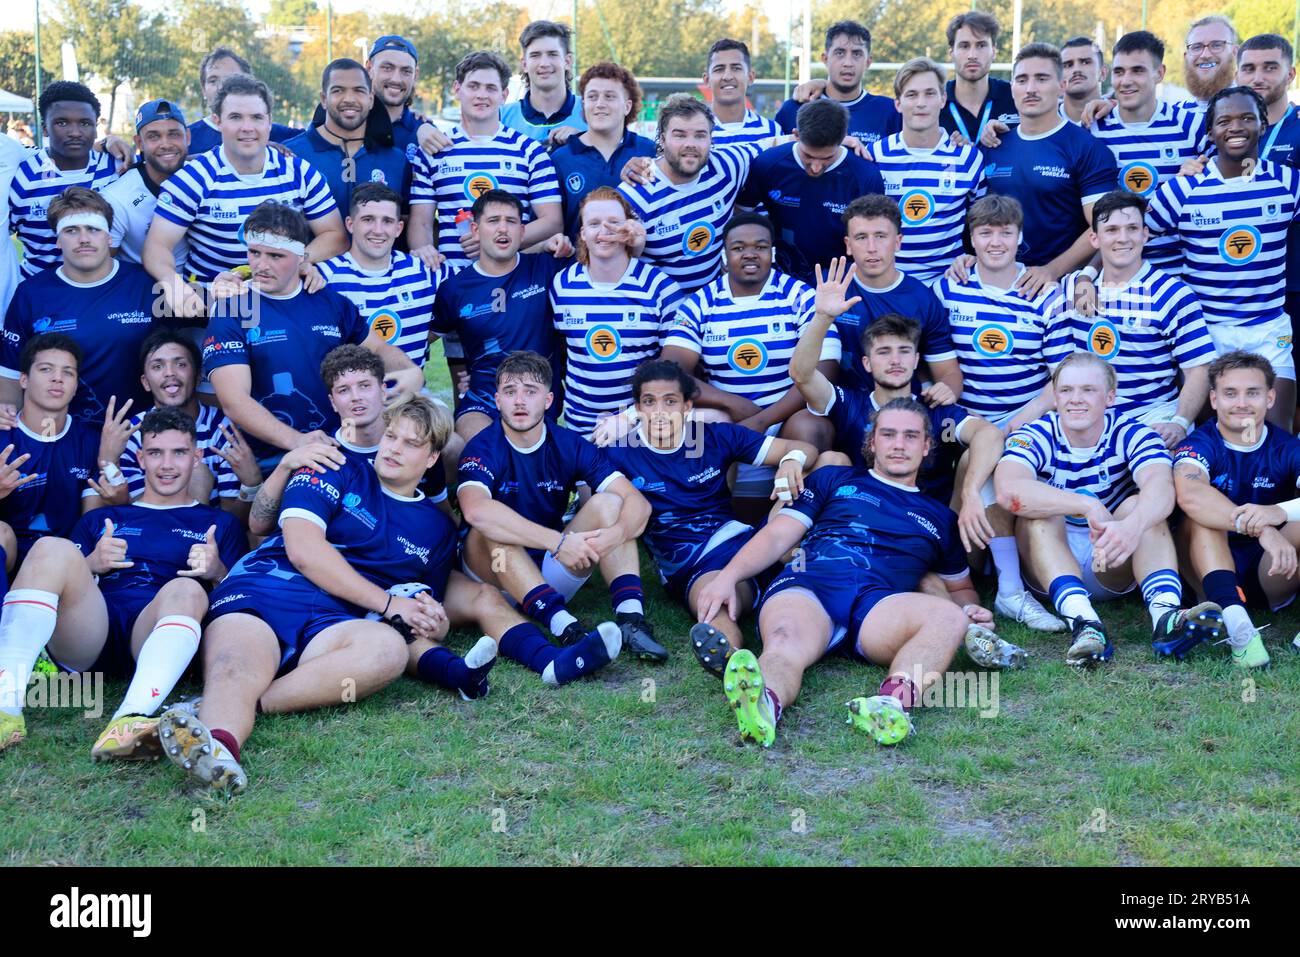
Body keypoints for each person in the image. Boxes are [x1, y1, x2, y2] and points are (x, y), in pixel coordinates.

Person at [157, 398, 525, 794]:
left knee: (388, 651)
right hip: (268, 591)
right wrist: (386, 603)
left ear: (433, 457)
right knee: (236, 664)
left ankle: (215, 706)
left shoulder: (437, 529)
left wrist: (433, 620)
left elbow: (415, 607)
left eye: (411, 443)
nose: (394, 448)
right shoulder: (333, 467)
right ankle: (220, 749)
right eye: (390, 436)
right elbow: (303, 550)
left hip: (337, 622)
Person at [696, 397, 1006, 749]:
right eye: (888, 434)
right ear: (872, 442)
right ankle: (764, 704)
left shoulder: (941, 518)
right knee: (783, 644)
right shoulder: (833, 479)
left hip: (878, 604)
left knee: (949, 618)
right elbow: (778, 534)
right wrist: (726, 577)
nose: (899, 445)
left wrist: (971, 611)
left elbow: (961, 586)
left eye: (910, 436)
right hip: (810, 584)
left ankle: (892, 705)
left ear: (926, 445)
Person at [793, 261, 1055, 631]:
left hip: (937, 528)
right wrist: (822, 316)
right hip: (868, 528)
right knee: (832, 460)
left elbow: (990, 435)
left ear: (918, 359)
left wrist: (970, 493)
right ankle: (811, 565)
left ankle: (1008, 591)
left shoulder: (935, 408)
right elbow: (802, 375)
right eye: (884, 352)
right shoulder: (849, 402)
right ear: (866, 362)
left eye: (904, 351)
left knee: (980, 462)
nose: (896, 360)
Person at [0, 407, 248, 757]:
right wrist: (92, 562)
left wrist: (217, 571)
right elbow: (60, 578)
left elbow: (239, 605)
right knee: (49, 548)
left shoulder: (219, 524)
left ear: (196, 457)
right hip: (90, 634)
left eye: (178, 453)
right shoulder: (104, 517)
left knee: (187, 589)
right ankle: (4, 707)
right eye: (155, 452)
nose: (166, 464)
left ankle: (130, 719)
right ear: (141, 458)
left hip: (156, 633)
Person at [994, 352, 1215, 666]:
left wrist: (1132, 526)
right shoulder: (1037, 433)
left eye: (1088, 390)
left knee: (1142, 506)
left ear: (1110, 397)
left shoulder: (1133, 432)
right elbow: (1009, 490)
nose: (1076, 400)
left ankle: (1165, 618)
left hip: (1111, 556)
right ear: (1055, 397)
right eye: (1066, 390)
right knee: (1038, 514)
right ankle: (1085, 625)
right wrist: (1086, 504)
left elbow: (1162, 489)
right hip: (1049, 562)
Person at [602, 360, 815, 675]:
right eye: (649, 402)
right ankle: (734, 662)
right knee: (715, 602)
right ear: (637, 409)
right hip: (695, 563)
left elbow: (805, 448)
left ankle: (817, 572)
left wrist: (790, 461)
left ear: (687, 406)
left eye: (670, 401)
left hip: (751, 540)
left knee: (828, 464)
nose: (660, 411)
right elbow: (592, 501)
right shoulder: (619, 455)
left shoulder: (714, 436)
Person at [458, 351, 657, 660]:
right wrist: (558, 541)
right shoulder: (483, 446)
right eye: (510, 392)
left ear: (549, 400)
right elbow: (475, 511)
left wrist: (614, 534)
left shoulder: (568, 443)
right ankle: (566, 628)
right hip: (493, 577)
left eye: (530, 392)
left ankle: (632, 619)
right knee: (492, 526)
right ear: (497, 401)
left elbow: (638, 503)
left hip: (549, 568)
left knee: (610, 503)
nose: (520, 401)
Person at [200, 202, 423, 469]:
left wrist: (412, 372)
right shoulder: (232, 308)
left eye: (275, 256)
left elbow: (379, 349)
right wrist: (298, 442)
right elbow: (234, 401)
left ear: (302, 258)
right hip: (274, 458)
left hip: (343, 446)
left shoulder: (330, 302)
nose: (261, 265)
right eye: (254, 253)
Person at [1138, 86, 1300, 428]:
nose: (1235, 127)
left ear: (1263, 125)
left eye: (1246, 118)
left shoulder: (1288, 183)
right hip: (1205, 333)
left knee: (1276, 439)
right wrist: (1086, 278)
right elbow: (1130, 240)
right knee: (1213, 440)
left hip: (1269, 329)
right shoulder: (1182, 190)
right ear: (1211, 132)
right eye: (1224, 120)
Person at [660, 213, 836, 521]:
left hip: (787, 415)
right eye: (739, 247)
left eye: (761, 246)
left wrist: (763, 419)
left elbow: (824, 372)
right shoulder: (701, 303)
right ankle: (708, 525)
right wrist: (735, 405)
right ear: (725, 255)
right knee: (703, 425)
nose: (750, 253)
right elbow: (672, 373)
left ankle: (797, 526)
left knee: (813, 424)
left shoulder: (799, 296)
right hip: (732, 421)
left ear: (773, 253)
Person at [144, 73, 346, 317]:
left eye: (257, 117)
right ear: (218, 121)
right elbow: (156, 245)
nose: (247, 127)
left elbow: (335, 235)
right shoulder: (194, 178)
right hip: (214, 306)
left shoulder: (298, 172)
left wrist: (299, 260)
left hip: (283, 302)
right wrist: (173, 284)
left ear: (269, 122)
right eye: (236, 117)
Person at [1173, 351, 1300, 669]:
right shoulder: (1200, 443)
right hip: (1207, 575)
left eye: (1252, 392)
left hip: (1271, 571)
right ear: (1213, 399)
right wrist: (1264, 527)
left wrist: (1280, 513)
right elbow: (1190, 494)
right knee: (1199, 517)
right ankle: (1238, 628)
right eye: (1231, 393)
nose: (1241, 402)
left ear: (1271, 398)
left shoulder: (1287, 447)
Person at [1057, 191, 1215, 445]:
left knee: (1163, 476)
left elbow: (1198, 369)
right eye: (1112, 230)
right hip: (1083, 418)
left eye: (1132, 228)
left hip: (1150, 418)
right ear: (1094, 239)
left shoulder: (1172, 294)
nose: (1123, 238)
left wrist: (1179, 422)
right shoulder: (1071, 287)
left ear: (1145, 234)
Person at [1, 187, 159, 421]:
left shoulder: (148, 284)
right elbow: (11, 372)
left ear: (109, 237)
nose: (83, 239)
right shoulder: (31, 294)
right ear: (57, 240)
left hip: (141, 435)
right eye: (71, 230)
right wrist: (6, 414)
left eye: (93, 229)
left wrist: (227, 285)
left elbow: (204, 311)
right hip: (63, 437)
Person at [978, 43, 1118, 288]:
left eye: (1042, 79)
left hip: (1060, 287)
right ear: (1012, 89)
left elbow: (1103, 224)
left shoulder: (1087, 148)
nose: (1030, 89)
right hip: (997, 285)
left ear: (1062, 86)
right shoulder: (993, 145)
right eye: (1022, 80)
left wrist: (1052, 270)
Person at [434, 189, 569, 443]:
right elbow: (421, 337)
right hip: (483, 397)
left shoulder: (549, 268)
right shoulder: (454, 289)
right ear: (475, 230)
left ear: (522, 230)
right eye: (493, 221)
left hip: (537, 398)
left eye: (511, 221)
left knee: (523, 457)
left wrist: (564, 243)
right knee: (479, 443)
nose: (503, 229)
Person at [408, 51, 562, 270]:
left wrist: (495, 240)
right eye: (473, 86)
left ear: (504, 95)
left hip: (513, 279)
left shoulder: (529, 151)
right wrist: (426, 256)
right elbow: (421, 223)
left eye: (491, 88)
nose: (482, 95)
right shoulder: (434, 150)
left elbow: (552, 222)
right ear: (457, 89)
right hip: (453, 283)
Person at [935, 195, 1071, 433]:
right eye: (986, 233)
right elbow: (928, 359)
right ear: (972, 238)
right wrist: (958, 412)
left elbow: (1062, 376)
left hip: (1028, 419)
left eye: (1006, 233)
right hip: (962, 417)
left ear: (1019, 237)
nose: (995, 242)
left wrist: (1016, 424)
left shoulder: (1046, 295)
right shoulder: (947, 289)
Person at [551, 187, 679, 436]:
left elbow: (672, 366)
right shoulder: (562, 286)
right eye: (594, 223)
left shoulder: (662, 289)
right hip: (580, 429)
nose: (604, 231)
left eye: (614, 222)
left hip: (642, 427)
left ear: (629, 230)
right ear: (582, 233)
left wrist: (631, 417)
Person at [1087, 32, 1204, 273]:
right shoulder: (1093, 129)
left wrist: (1200, 171)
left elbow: (1227, 169)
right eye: (1119, 72)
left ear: (1159, 73)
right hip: (1112, 271)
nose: (1126, 80)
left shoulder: (1190, 124)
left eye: (1137, 71)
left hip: (1179, 271)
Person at [618, 95, 758, 295]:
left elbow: (780, 145)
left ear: (712, 139)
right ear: (662, 139)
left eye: (700, 135)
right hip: (658, 312)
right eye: (680, 135)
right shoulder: (635, 191)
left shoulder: (727, 165)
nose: (690, 144)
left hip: (710, 309)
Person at [0, 335, 111, 587]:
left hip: (64, 565)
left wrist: (110, 461)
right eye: (46, 369)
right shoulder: (3, 436)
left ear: (75, 386)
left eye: (68, 372)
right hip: (8, 556)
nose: (57, 378)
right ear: (24, 379)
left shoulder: (91, 441)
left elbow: (91, 520)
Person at [737, 99, 884, 286]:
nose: (815, 167)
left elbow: (874, 235)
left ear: (842, 140)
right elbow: (742, 214)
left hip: (841, 279)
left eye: (827, 158)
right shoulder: (768, 164)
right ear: (796, 135)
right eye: (808, 156)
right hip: (781, 276)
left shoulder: (865, 175)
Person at [112, 330, 262, 511]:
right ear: (145, 382)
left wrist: (251, 485)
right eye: (158, 366)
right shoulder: (133, 432)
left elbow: (231, 518)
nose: (169, 373)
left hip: (210, 534)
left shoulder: (222, 428)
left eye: (181, 364)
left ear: (198, 376)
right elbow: (138, 510)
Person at [868, 58, 986, 285]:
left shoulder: (968, 158)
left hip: (948, 282)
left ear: (943, 99)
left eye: (930, 94)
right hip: (889, 283)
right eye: (911, 95)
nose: (921, 103)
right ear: (898, 104)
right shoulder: (875, 156)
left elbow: (979, 222)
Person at [833, 194, 962, 398]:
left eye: (881, 236)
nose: (872, 247)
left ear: (898, 242)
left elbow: (948, 372)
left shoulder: (922, 298)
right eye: (861, 237)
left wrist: (947, 390)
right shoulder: (828, 286)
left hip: (903, 409)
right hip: (841, 406)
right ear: (848, 244)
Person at [316, 183, 449, 370]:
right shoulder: (323, 279)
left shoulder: (426, 271)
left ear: (399, 228)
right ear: (350, 224)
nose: (378, 230)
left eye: (387, 221)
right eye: (368, 219)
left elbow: (478, 283)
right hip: (351, 396)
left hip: (409, 397)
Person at [1237, 35, 1300, 385]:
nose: (1257, 77)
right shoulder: (1222, 126)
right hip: (1236, 287)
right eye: (1248, 68)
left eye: (1269, 68)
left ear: (1290, 74)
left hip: (1292, 281)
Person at [8, 81, 118, 278]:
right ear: (44, 129)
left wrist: (113, 141)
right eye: (62, 123)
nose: (75, 132)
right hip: (38, 295)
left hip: (103, 293)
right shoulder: (20, 178)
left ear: (95, 127)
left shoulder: (117, 167)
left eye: (84, 123)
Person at [281, 59, 408, 217]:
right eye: (338, 90)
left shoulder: (397, 159)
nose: (349, 99)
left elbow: (409, 223)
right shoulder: (290, 155)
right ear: (324, 99)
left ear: (371, 99)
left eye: (359, 90)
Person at [551, 62, 655, 242]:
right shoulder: (560, 159)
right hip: (577, 267)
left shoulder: (649, 152)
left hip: (637, 266)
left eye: (610, 96)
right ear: (583, 105)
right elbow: (553, 229)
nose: (600, 104)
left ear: (627, 106)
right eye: (592, 97)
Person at [774, 20, 900, 148]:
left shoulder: (889, 112)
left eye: (857, 54)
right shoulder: (793, 109)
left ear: (868, 62)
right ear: (825, 58)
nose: (848, 63)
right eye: (840, 53)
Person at [102, 99, 190, 271]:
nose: (165, 144)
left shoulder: (204, 177)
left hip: (203, 286)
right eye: (153, 136)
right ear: (140, 143)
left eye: (174, 134)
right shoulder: (117, 197)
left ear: (187, 137)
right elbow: (101, 267)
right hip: (143, 291)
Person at [188, 46, 303, 154]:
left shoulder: (277, 134)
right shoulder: (186, 138)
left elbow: (315, 138)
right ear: (203, 89)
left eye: (231, 79)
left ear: (249, 84)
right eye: (213, 80)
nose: (221, 86)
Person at [500, 21, 587, 146]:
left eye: (552, 54)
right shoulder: (501, 118)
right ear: (524, 64)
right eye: (535, 55)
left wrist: (586, 140)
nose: (544, 63)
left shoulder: (592, 112)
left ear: (567, 61)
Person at [940, 10, 1018, 142]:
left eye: (981, 45)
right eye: (964, 46)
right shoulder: (935, 103)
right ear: (951, 53)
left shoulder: (1015, 97)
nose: (972, 55)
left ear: (993, 51)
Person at [705, 38, 780, 148]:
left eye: (736, 68)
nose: (727, 76)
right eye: (719, 69)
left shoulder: (772, 131)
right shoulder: (693, 132)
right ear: (707, 79)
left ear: (750, 77)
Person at [1060, 38, 1108, 124]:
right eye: (1068, 65)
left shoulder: (1125, 120)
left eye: (1085, 62)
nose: (1076, 69)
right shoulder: (1042, 123)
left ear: (1103, 73)